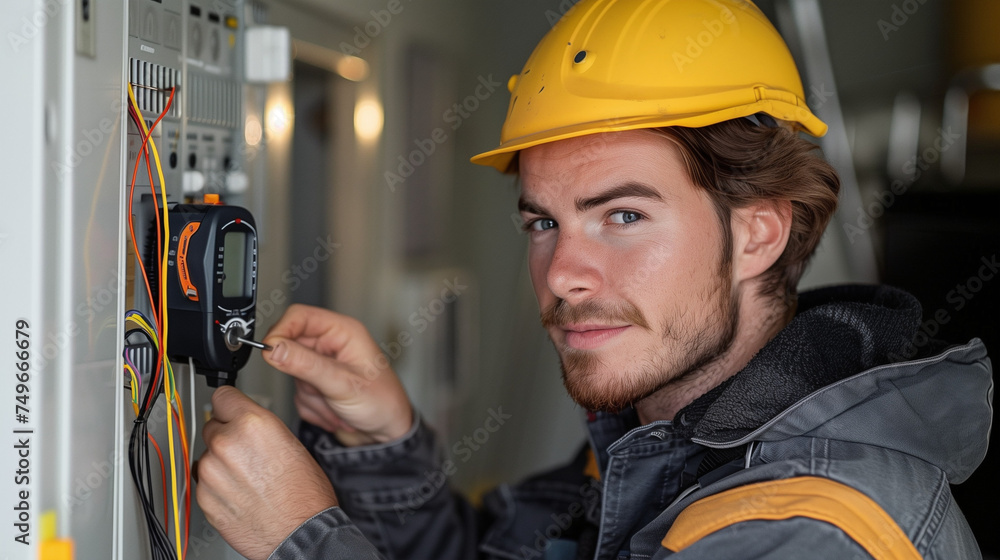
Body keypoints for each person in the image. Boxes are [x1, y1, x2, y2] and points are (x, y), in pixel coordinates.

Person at [194, 0, 993, 558]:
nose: (565, 275)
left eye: (624, 216)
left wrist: (305, 539)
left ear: (758, 233)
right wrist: (386, 446)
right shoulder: (658, 446)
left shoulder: (812, 530)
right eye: (543, 223)